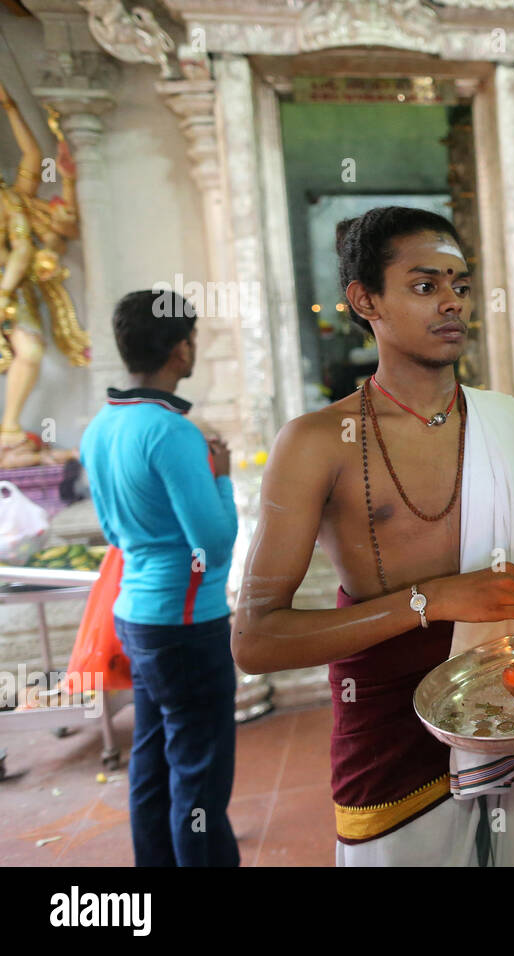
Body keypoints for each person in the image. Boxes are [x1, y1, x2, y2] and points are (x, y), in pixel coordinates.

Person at [232, 207, 514, 867]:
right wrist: (433, 600)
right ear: (366, 300)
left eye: (461, 284)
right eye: (426, 286)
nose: (453, 302)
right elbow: (255, 639)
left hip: (510, 712)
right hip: (389, 730)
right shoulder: (316, 444)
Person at [80, 290, 240, 867]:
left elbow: (112, 532)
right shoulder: (173, 432)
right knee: (198, 773)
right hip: (187, 623)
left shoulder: (101, 425)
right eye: (192, 338)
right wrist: (221, 479)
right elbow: (214, 541)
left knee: (152, 762)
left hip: (138, 617)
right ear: (180, 348)